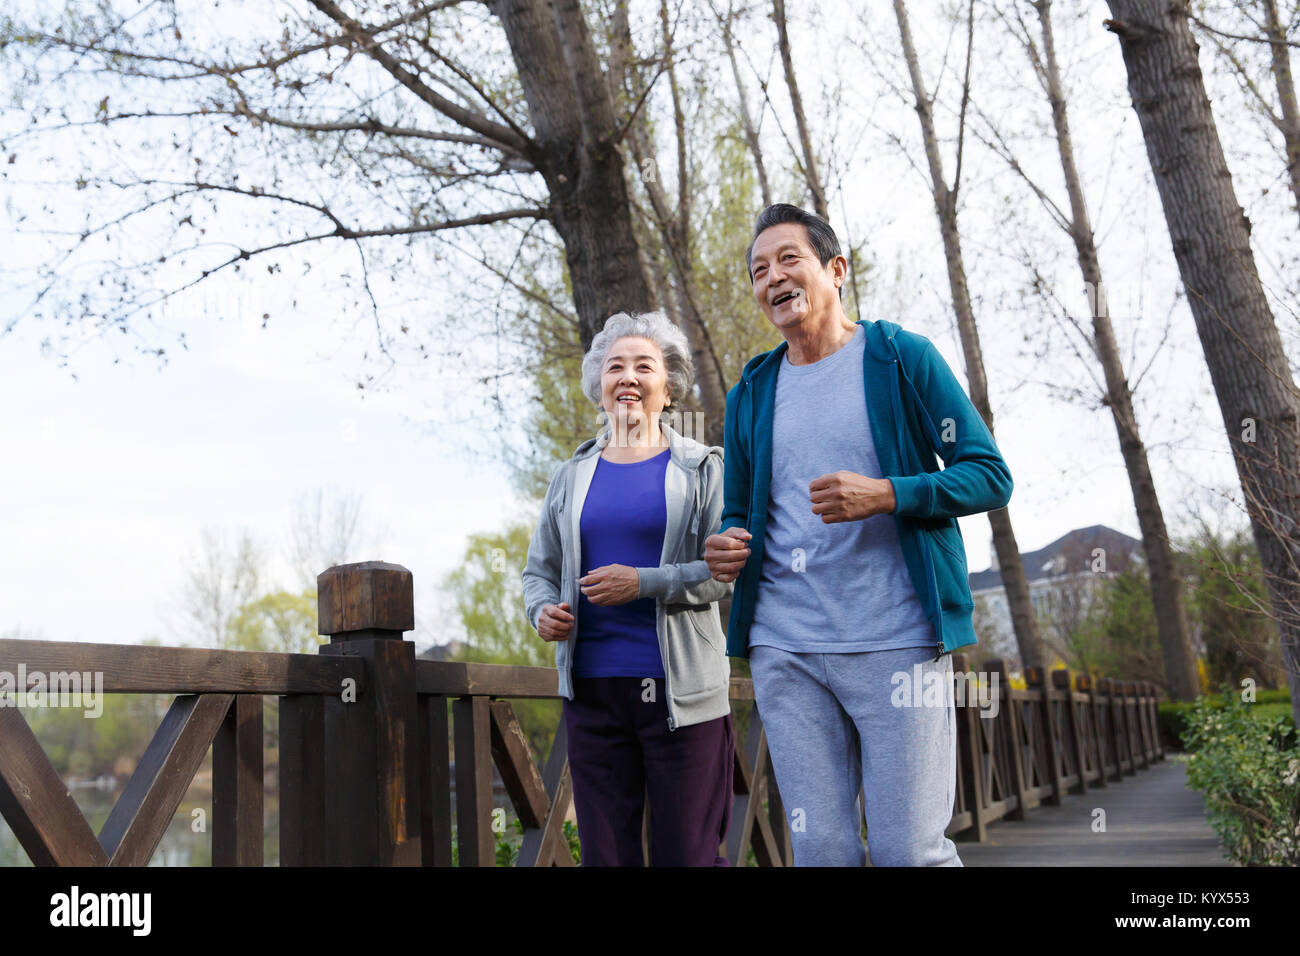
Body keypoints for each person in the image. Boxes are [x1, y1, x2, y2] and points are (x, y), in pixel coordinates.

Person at [704, 203, 1013, 866]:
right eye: (759, 270)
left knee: (909, 851)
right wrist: (727, 543)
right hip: (784, 647)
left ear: (835, 269)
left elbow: (989, 476)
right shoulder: (751, 393)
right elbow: (738, 510)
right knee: (822, 849)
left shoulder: (902, 359)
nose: (773, 277)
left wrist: (889, 494)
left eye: (789, 258)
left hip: (897, 640)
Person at [522, 310, 734, 867]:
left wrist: (642, 583)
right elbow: (537, 572)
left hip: (681, 695)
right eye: (616, 366)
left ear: (669, 388)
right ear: (600, 387)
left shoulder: (703, 469)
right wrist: (542, 610)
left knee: (687, 857)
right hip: (592, 692)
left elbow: (722, 572)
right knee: (606, 858)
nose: (629, 377)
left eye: (645, 365)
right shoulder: (571, 477)